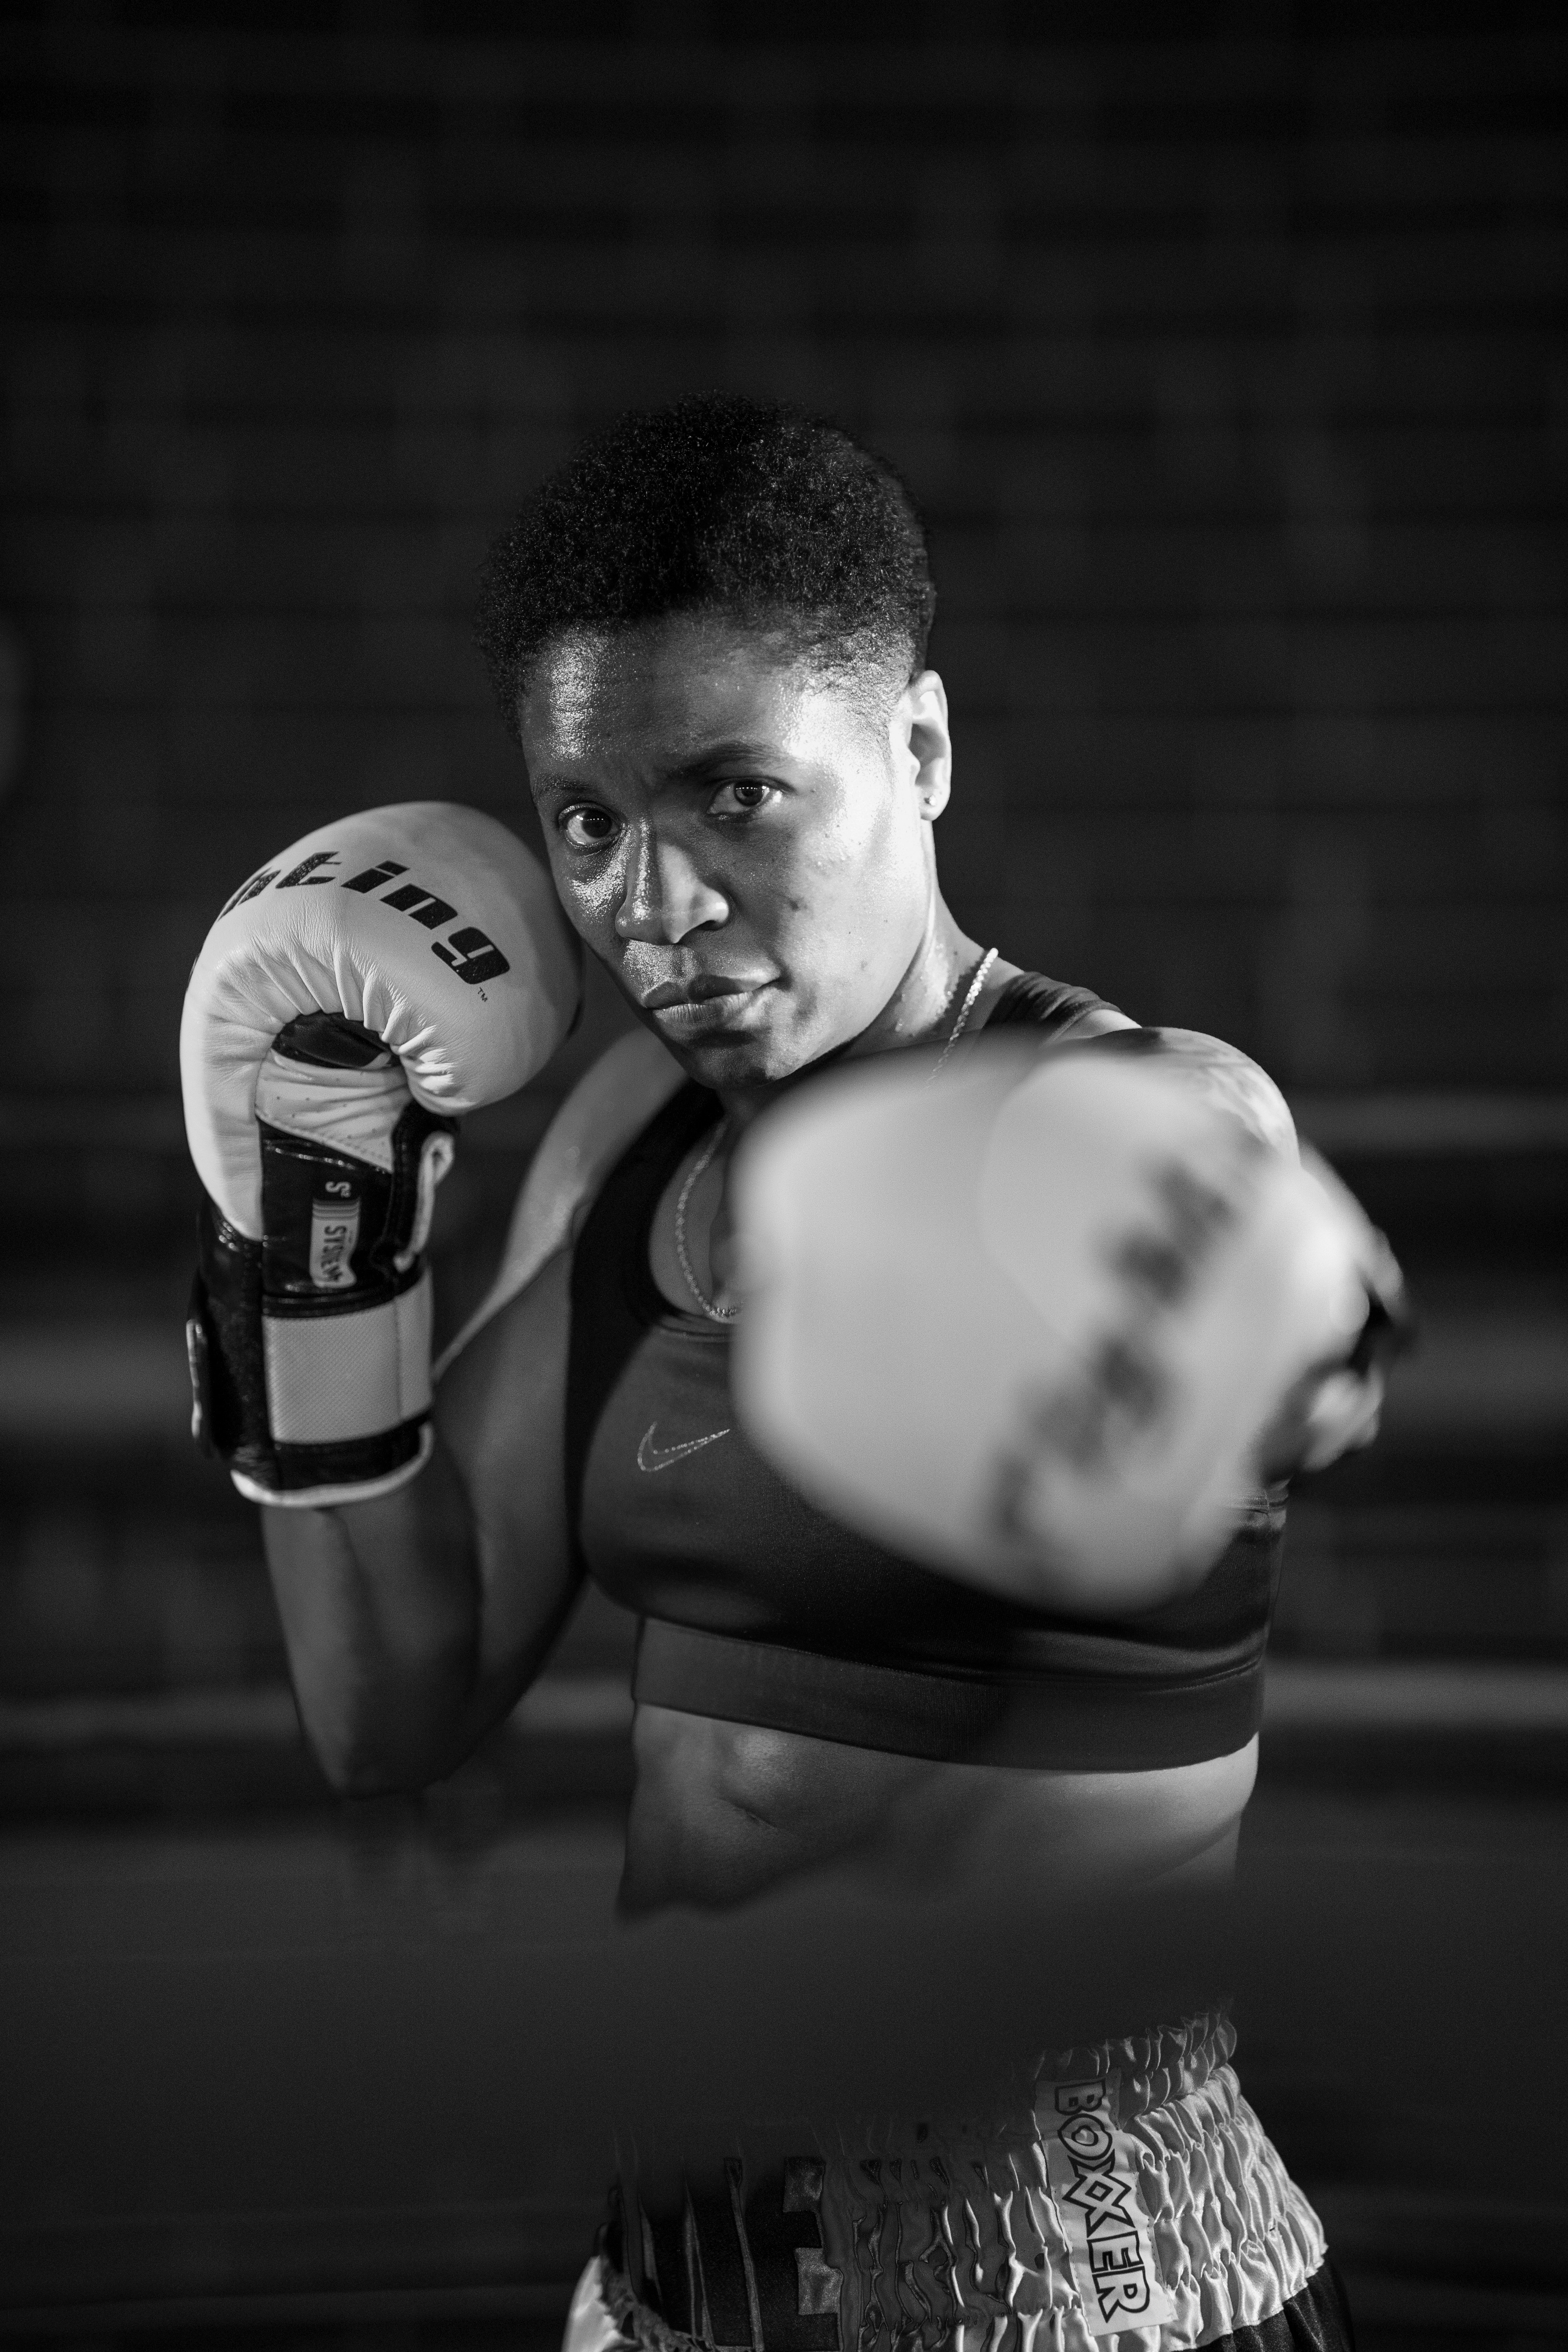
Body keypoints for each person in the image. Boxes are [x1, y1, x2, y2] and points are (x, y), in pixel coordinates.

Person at [183, 395, 1395, 2350]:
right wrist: (316, 1254)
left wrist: (1266, 1290)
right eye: (588, 823)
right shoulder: (630, 1139)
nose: (650, 911)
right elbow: (394, 1705)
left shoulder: (1109, 1111)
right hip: (675, 2301)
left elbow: (1235, 1195)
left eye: (732, 795)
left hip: (1091, 2312)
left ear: (916, 748)